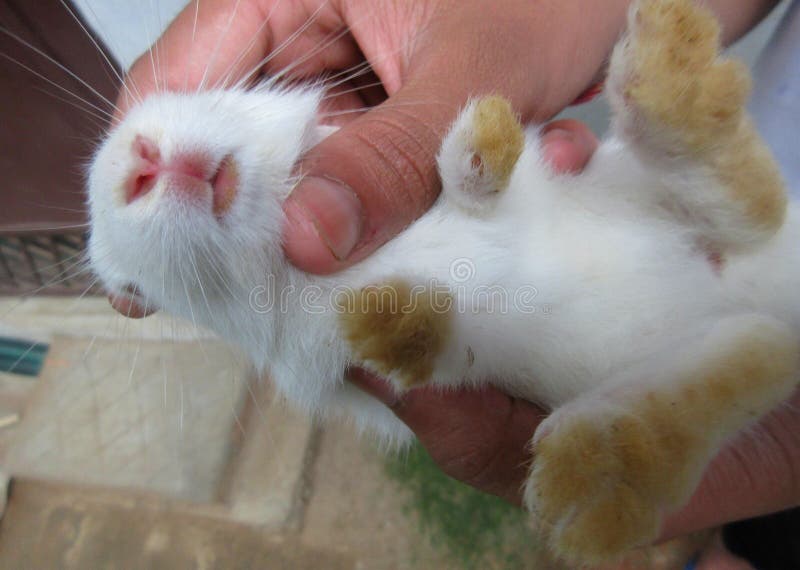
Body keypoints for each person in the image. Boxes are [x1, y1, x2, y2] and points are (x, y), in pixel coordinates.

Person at [112, 1, 798, 566]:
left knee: (607, 189)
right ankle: (715, 348)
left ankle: (706, 199)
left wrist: (467, 174)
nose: (138, 160)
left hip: (689, 239)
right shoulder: (303, 335)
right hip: (622, 322)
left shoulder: (321, 151)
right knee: (572, 351)